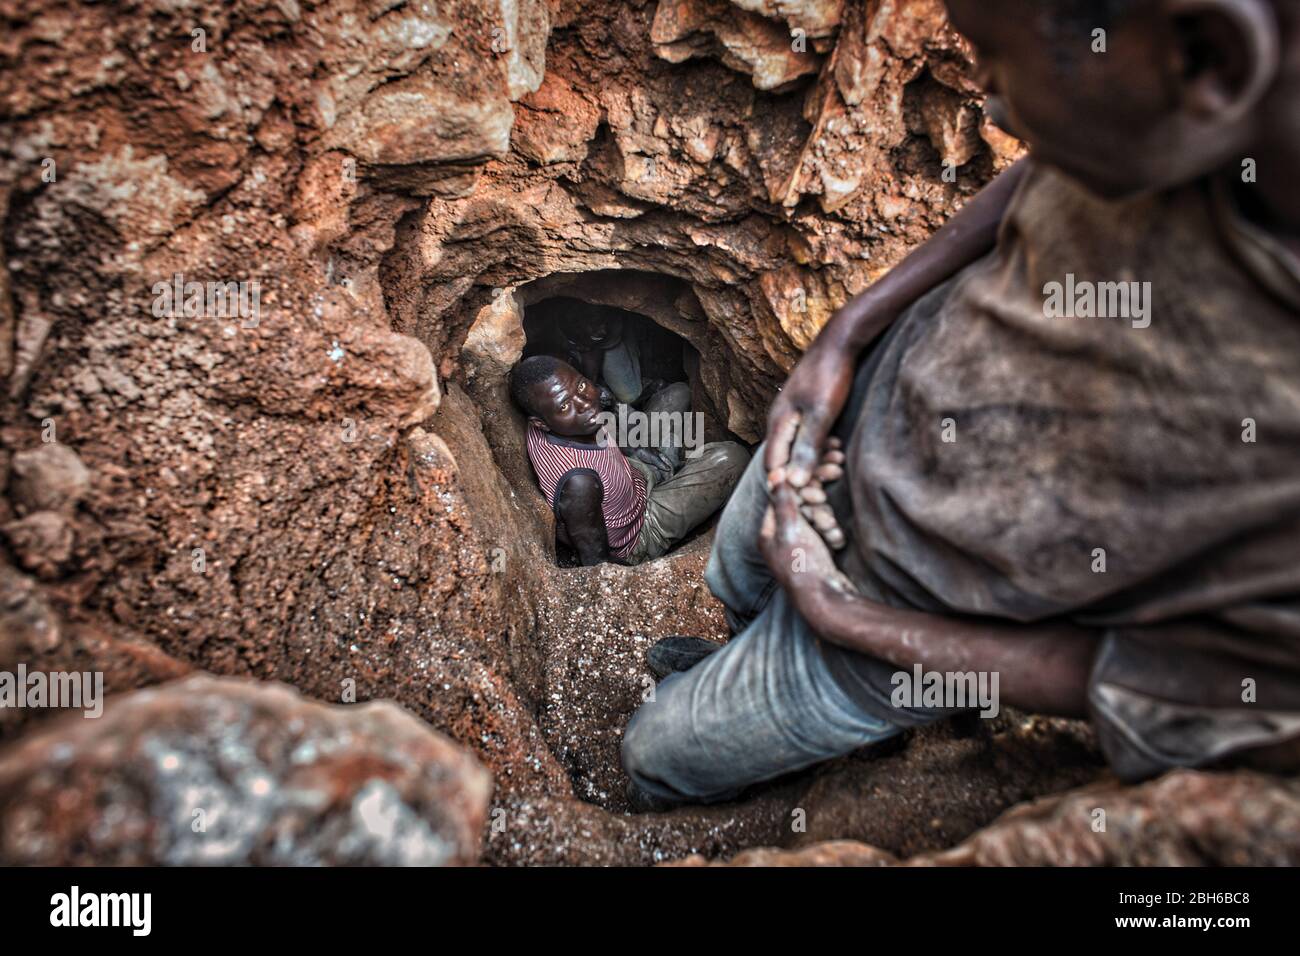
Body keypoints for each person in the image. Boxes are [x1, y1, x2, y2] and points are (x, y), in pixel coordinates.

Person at [621, 0, 1300, 809]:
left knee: (653, 755)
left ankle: (783, 770)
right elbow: (1041, 169)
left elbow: (1168, 684)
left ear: (1208, 55)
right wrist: (844, 338)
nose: (984, 97)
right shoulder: (1151, 115)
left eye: (995, 59)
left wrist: (842, 617)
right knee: (736, 573)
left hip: (902, 623)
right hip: (837, 435)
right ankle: (747, 656)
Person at [510, 356, 749, 566]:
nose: (586, 403)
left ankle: (668, 467)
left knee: (678, 394)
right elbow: (596, 560)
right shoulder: (579, 482)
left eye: (581, 384)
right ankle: (674, 470)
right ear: (539, 423)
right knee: (732, 457)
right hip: (640, 529)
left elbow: (596, 416)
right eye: (564, 405)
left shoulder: (567, 421)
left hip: (631, 475)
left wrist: (636, 450)